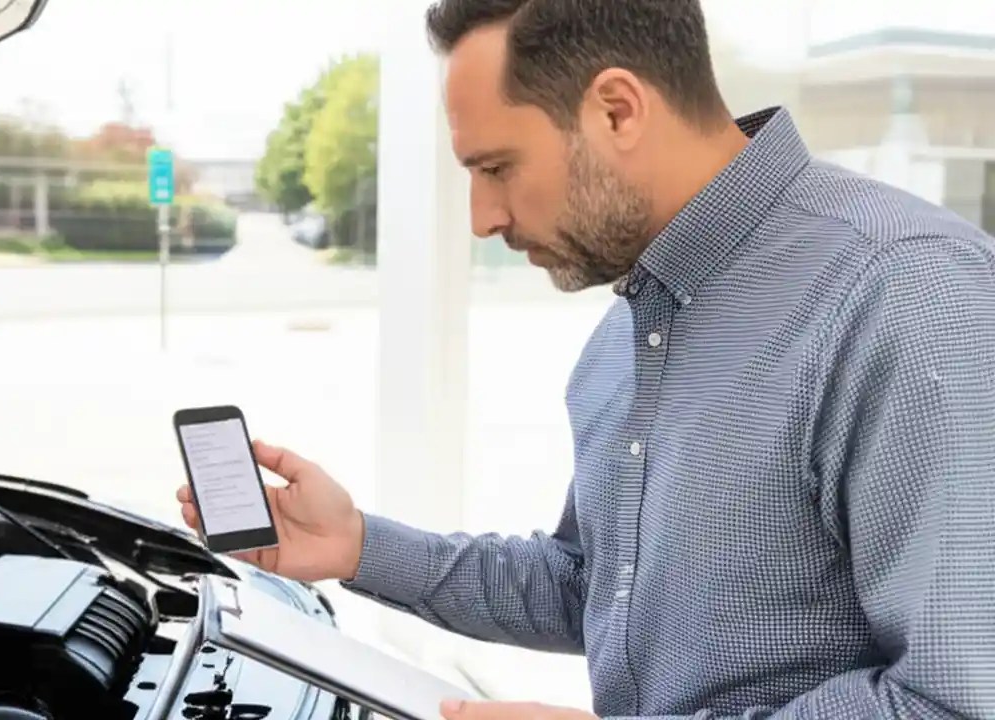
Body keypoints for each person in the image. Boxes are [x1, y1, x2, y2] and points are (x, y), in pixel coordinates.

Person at [178, 0, 995, 717]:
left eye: (496, 167)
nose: (481, 217)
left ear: (617, 110)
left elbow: (956, 701)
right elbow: (594, 584)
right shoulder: (628, 331)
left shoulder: (904, 291)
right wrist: (357, 547)